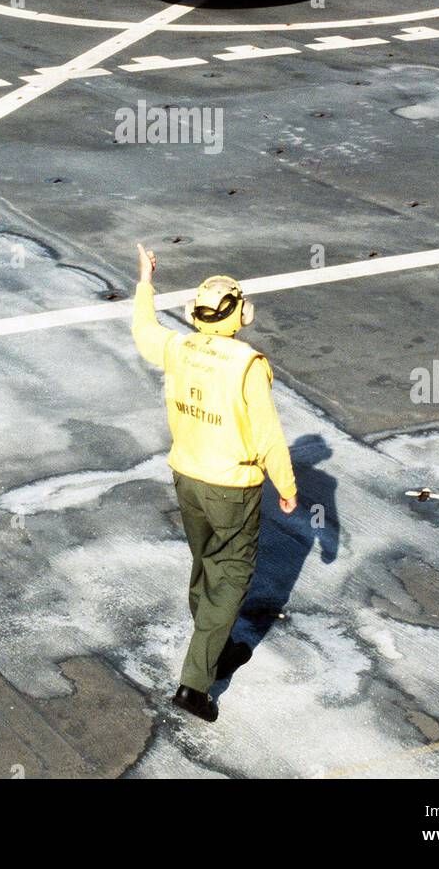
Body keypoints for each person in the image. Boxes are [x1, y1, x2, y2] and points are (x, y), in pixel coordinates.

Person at [132, 242, 297, 722]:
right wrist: (287, 487)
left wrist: (145, 281)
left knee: (205, 564)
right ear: (241, 314)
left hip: (187, 478)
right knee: (232, 578)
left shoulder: (179, 347)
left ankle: (215, 646)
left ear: (196, 313)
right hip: (232, 487)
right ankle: (195, 685)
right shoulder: (247, 363)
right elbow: (268, 434)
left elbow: (145, 331)